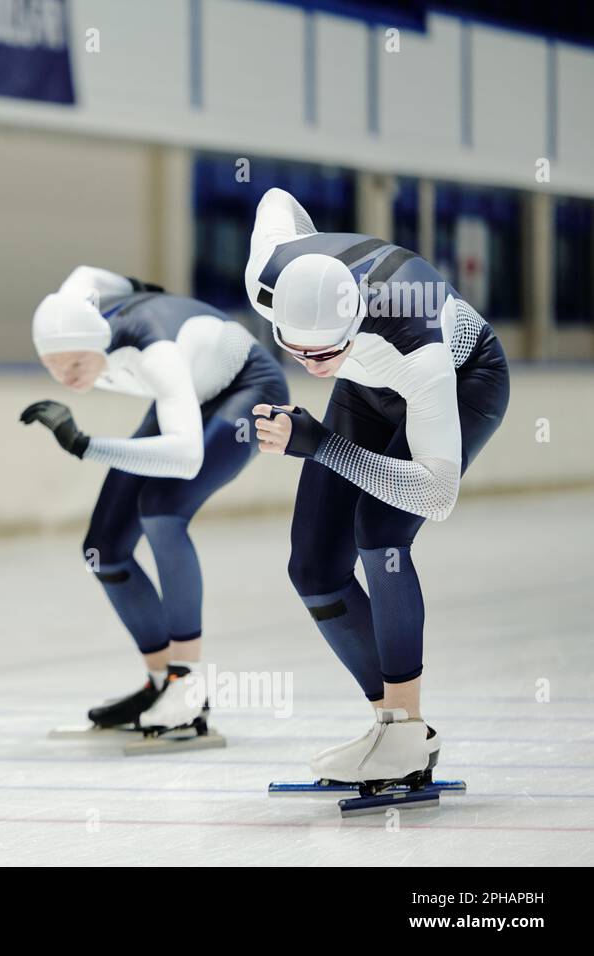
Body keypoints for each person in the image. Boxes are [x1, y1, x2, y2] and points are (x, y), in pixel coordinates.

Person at [245, 187, 509, 785]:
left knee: (381, 532)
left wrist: (323, 446)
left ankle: (407, 732)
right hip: (366, 380)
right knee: (312, 567)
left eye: (325, 353)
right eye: (298, 352)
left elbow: (435, 496)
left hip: (466, 380)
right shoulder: (267, 277)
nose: (312, 365)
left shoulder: (421, 350)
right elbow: (278, 198)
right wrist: (312, 250)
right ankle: (393, 727)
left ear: (354, 324)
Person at [21, 266, 288, 733]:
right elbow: (84, 274)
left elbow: (185, 458)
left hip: (248, 387)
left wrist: (86, 445)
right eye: (53, 369)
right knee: (102, 550)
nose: (67, 379)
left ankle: (188, 682)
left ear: (98, 343)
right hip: (192, 390)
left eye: (78, 367)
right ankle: (159, 680)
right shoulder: (74, 308)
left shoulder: (155, 354)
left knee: (163, 509)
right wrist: (134, 287)